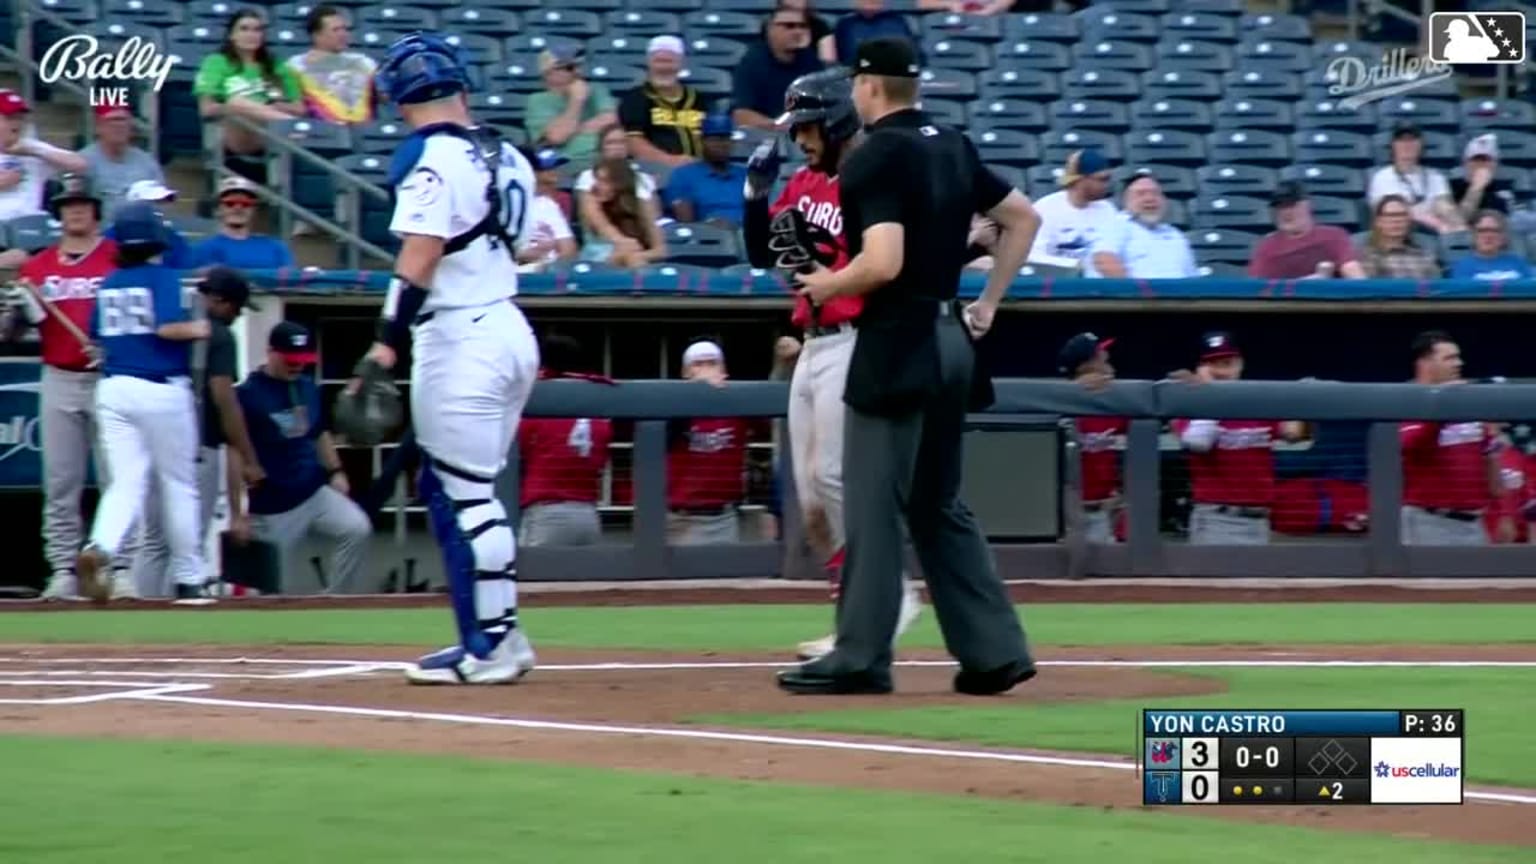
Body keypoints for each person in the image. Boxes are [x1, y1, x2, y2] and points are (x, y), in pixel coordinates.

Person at [781, 37, 1042, 696]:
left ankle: (860, 656)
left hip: (897, 339)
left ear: (867, 88)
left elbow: (884, 262)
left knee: (871, 503)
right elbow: (1023, 218)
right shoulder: (951, 141)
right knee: (938, 503)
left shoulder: (873, 157)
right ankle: (995, 652)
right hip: (953, 333)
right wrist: (988, 303)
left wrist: (827, 286)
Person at [362, 33, 541, 684]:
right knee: (454, 488)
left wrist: (385, 336)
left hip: (460, 332)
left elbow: (420, 253)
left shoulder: (433, 158)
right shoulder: (511, 154)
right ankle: (500, 633)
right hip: (507, 321)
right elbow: (536, 243)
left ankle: (490, 647)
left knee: (468, 497)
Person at [742, 68, 923, 661]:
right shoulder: (802, 184)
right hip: (812, 339)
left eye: (809, 127)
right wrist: (755, 199)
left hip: (854, 335)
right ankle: (854, 613)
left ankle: (887, 598)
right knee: (812, 501)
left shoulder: (870, 178)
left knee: (836, 478)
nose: (800, 140)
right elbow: (764, 254)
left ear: (840, 119)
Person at [75, 202, 212, 606]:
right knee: (178, 484)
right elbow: (167, 327)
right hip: (161, 388)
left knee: (126, 483)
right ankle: (189, 577)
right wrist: (200, 328)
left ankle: (101, 545)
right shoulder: (164, 277)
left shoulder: (110, 282)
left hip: (115, 388)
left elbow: (96, 336)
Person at [8, 174, 137, 600]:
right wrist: (17, 312)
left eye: (82, 204)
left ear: (95, 211)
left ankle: (120, 567)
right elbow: (11, 331)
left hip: (109, 376)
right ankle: (63, 568)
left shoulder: (117, 258)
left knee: (118, 478)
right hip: (60, 375)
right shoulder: (37, 267)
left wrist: (116, 346)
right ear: (58, 213)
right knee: (61, 480)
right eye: (67, 205)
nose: (75, 210)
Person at [137, 267, 265, 597]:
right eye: (236, 308)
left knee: (154, 541)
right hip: (196, 446)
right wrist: (248, 456)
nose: (236, 316)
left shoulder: (173, 324)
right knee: (187, 541)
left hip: (151, 438)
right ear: (221, 302)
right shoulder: (219, 334)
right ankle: (173, 621)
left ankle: (141, 619)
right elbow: (224, 397)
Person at [231, 321, 372, 591]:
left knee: (357, 528)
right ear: (271, 352)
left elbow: (319, 432)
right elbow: (235, 453)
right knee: (266, 590)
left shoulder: (308, 387)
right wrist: (239, 513)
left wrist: (335, 471)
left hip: (312, 491)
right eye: (290, 359)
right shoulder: (247, 395)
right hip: (272, 506)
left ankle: (335, 603)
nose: (297, 365)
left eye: (302, 360)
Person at [1170, 333, 1308, 546]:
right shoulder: (1189, 406)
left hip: (1259, 519)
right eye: (1213, 364)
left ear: (1240, 364)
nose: (1221, 371)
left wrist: (1300, 397)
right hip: (1215, 518)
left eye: (1227, 363)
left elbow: (1294, 433)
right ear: (1201, 369)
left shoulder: (1259, 403)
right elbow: (1199, 442)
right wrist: (1209, 394)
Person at [1400, 331, 1498, 546]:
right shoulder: (1407, 399)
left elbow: (1489, 464)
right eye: (1449, 358)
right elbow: (1410, 445)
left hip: (1474, 522)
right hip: (1430, 521)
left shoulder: (1468, 401)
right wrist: (1443, 407)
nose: (1459, 363)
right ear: (1425, 364)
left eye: (1458, 357)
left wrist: (1503, 512)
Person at [517, 333, 614, 546]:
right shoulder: (597, 398)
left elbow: (517, 449)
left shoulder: (541, 399)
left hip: (549, 511)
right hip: (588, 513)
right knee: (585, 579)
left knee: (534, 578)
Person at [193, 8, 305, 183]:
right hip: (234, 133)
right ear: (232, 35)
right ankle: (288, 128)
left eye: (257, 30)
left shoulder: (276, 65)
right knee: (237, 103)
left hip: (268, 133)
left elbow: (299, 108)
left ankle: (283, 127)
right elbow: (206, 109)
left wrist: (277, 107)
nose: (251, 34)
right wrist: (237, 108)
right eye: (244, 29)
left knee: (243, 105)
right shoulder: (216, 63)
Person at [666, 340, 751, 545]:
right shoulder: (671, 404)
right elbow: (666, 437)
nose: (705, 370)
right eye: (698, 364)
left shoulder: (737, 405)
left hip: (724, 516)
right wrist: (695, 394)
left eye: (712, 363)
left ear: (724, 371)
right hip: (683, 518)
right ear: (685, 374)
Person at [1057, 333, 1124, 545]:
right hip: (1064, 515)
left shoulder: (1115, 404)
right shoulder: (1058, 404)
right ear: (1085, 367)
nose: (1106, 356)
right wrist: (1074, 391)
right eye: (1099, 354)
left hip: (1102, 514)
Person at [1084, 170, 1200, 279]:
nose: (1150, 199)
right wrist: (1138, 293)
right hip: (1136, 297)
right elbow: (1104, 261)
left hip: (1180, 298)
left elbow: (1192, 277)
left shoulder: (1176, 235)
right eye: (1140, 194)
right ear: (1126, 202)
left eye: (1155, 193)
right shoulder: (1115, 225)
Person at [0, 88, 89, 227]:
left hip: (29, 228)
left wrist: (34, 151)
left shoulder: (32, 147)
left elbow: (79, 165)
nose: (16, 123)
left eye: (20, 118)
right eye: (10, 118)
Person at [731, 5, 825, 131]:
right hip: (765, 134)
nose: (797, 31)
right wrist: (779, 127)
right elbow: (742, 115)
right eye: (789, 26)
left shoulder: (811, 61)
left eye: (802, 26)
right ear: (771, 30)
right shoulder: (752, 62)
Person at [1248, 181, 1366, 280]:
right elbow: (1255, 286)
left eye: (1290, 205)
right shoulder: (1267, 246)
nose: (1285, 212)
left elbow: (1352, 271)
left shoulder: (1333, 236)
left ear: (1306, 205)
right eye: (1280, 207)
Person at [618, 36, 705, 168]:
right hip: (653, 171)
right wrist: (670, 161)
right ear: (649, 62)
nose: (663, 67)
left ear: (681, 63)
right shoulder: (635, 98)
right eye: (658, 61)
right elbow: (632, 141)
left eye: (669, 61)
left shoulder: (697, 98)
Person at [285, 5, 378, 125]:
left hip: (363, 129)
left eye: (344, 29)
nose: (343, 34)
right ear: (316, 35)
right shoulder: (295, 66)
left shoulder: (363, 62)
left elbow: (385, 93)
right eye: (336, 30)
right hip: (323, 132)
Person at [1028, 149, 1119, 267]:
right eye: (1102, 179)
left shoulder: (1107, 209)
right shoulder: (1045, 209)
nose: (1107, 185)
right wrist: (1075, 265)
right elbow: (1033, 255)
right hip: (1058, 279)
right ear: (1080, 180)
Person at [525, 46, 617, 163]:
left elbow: (612, 121)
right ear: (548, 73)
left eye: (578, 66)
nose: (578, 72)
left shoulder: (596, 90)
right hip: (567, 163)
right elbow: (556, 137)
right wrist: (576, 101)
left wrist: (573, 129)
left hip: (605, 160)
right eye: (569, 68)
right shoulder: (537, 101)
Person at [1366, 122, 1459, 234]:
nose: (1407, 144)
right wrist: (1438, 224)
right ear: (1393, 145)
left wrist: (1459, 227)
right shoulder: (1382, 178)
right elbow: (1392, 213)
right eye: (1401, 140)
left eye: (1412, 140)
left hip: (1436, 236)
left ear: (1421, 145)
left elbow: (1447, 209)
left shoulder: (1436, 177)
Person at [189, 176, 296, 270]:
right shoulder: (204, 249)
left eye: (245, 204)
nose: (238, 208)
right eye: (230, 203)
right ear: (217, 210)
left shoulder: (275, 247)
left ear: (254, 210)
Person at [81, 104, 167, 218]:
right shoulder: (81, 162)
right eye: (113, 120)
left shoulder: (147, 163)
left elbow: (159, 205)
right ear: (99, 126)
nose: (119, 125)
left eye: (123, 120)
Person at [579, 157, 667, 267]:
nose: (597, 185)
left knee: (631, 257)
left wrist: (640, 255)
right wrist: (624, 243)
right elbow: (604, 228)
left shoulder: (641, 204)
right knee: (627, 255)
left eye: (605, 181)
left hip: (631, 256)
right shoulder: (590, 200)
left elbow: (661, 251)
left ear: (620, 184)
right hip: (595, 260)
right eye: (597, 179)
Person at [664, 114, 748, 225]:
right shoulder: (683, 175)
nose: (721, 144)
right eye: (714, 140)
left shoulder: (746, 175)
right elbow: (685, 223)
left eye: (725, 139)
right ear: (702, 142)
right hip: (708, 237)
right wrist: (708, 226)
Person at [517, 149, 579, 270]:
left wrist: (552, 270)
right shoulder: (508, 203)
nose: (554, 176)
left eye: (555, 169)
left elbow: (569, 248)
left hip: (549, 274)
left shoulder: (548, 204)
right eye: (548, 170)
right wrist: (525, 255)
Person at [1357, 194, 1441, 279]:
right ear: (1378, 221)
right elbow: (1370, 289)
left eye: (1402, 215)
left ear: (1409, 221)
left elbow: (1436, 288)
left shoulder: (1423, 256)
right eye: (1390, 215)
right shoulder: (1368, 255)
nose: (1397, 220)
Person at [1450, 210, 1535, 282]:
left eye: (1494, 231)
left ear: (1503, 236)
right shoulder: (1463, 266)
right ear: (1473, 235)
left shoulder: (1518, 262)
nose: (1488, 235)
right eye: (1482, 231)